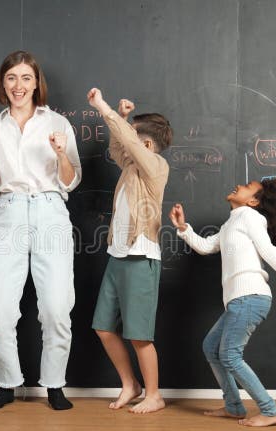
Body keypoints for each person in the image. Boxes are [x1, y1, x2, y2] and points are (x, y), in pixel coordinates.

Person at [0, 50, 82, 410]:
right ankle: (7, 383)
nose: (19, 85)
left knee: (57, 306)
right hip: (9, 211)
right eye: (12, 77)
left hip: (50, 210)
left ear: (36, 83)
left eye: (26, 78)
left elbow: (71, 181)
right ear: (3, 83)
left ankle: (55, 385)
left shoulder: (57, 122)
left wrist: (61, 154)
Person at [169, 179, 276, 427]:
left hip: (250, 297)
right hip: (239, 301)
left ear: (253, 201)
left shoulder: (250, 217)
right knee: (212, 347)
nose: (239, 185)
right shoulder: (232, 222)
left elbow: (268, 251)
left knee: (230, 355)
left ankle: (270, 410)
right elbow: (206, 247)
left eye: (247, 186)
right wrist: (183, 228)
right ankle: (234, 406)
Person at [86, 87, 171, 414]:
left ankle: (154, 395)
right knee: (103, 328)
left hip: (141, 258)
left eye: (133, 136)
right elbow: (118, 147)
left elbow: (129, 143)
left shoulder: (156, 166)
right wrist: (121, 118)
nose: (128, 141)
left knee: (139, 335)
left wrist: (104, 107)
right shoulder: (131, 168)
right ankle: (130, 385)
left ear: (146, 145)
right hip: (118, 256)